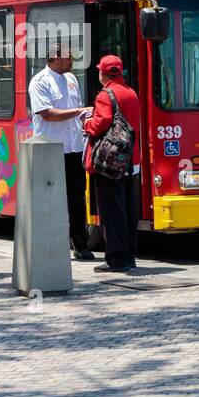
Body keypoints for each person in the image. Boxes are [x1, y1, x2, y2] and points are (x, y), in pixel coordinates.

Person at [28, 43, 93, 261]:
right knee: (52, 198)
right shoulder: (39, 81)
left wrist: (86, 117)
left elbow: (77, 110)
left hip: (74, 147)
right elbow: (48, 114)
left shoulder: (72, 79)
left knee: (77, 199)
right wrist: (79, 111)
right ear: (55, 58)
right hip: (51, 148)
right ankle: (53, 244)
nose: (72, 61)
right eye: (68, 57)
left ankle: (80, 244)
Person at [81, 55, 141, 274]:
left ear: (103, 74)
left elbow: (100, 124)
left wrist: (86, 122)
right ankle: (129, 256)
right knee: (128, 211)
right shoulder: (131, 93)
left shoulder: (106, 95)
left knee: (111, 211)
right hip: (131, 160)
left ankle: (116, 258)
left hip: (110, 163)